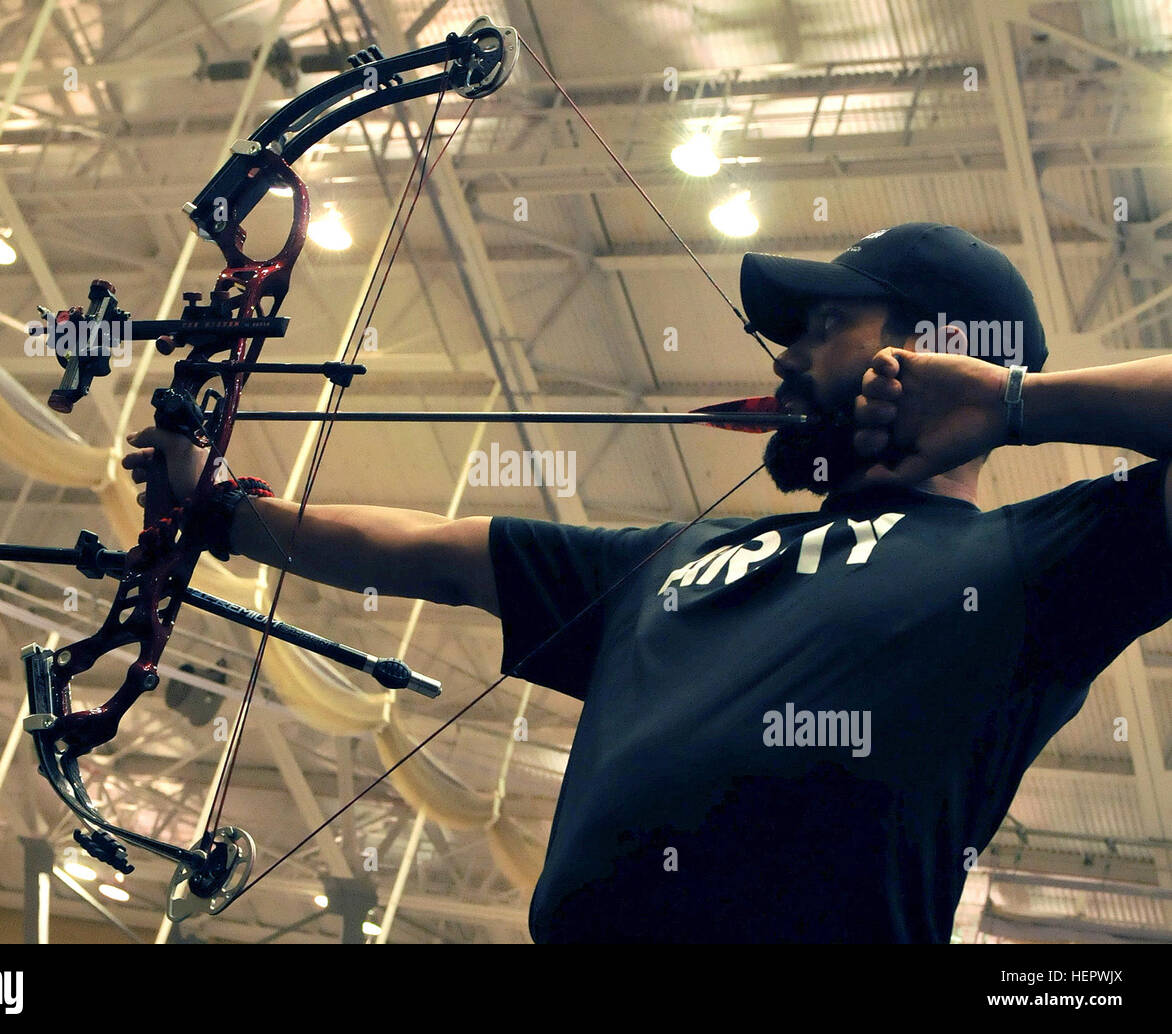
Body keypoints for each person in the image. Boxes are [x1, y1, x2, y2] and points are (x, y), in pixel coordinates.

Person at [124, 222, 1172, 943]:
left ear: (933, 346)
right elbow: (433, 549)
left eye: (821, 326)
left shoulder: (1026, 565)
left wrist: (1017, 402)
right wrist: (221, 509)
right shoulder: (667, 560)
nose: (785, 358)